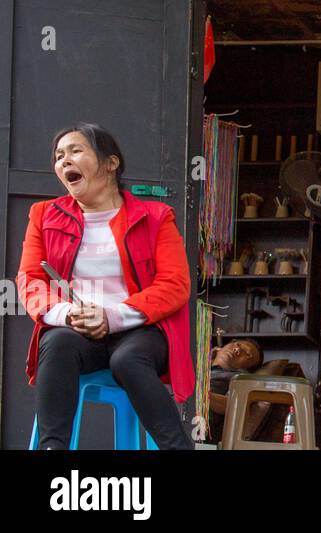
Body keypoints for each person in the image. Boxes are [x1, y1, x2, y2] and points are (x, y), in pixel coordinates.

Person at [16, 124, 195, 450]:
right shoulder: (43, 215)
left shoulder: (155, 217)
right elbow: (30, 280)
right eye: (58, 156)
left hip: (140, 328)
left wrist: (111, 317)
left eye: (75, 150)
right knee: (56, 344)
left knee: (126, 360)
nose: (64, 160)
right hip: (78, 329)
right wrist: (68, 314)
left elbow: (175, 284)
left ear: (111, 163)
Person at [207, 339, 263, 439]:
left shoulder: (241, 378)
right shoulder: (200, 363)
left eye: (247, 354)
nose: (237, 350)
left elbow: (231, 404)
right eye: (236, 344)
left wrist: (199, 392)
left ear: (248, 368)